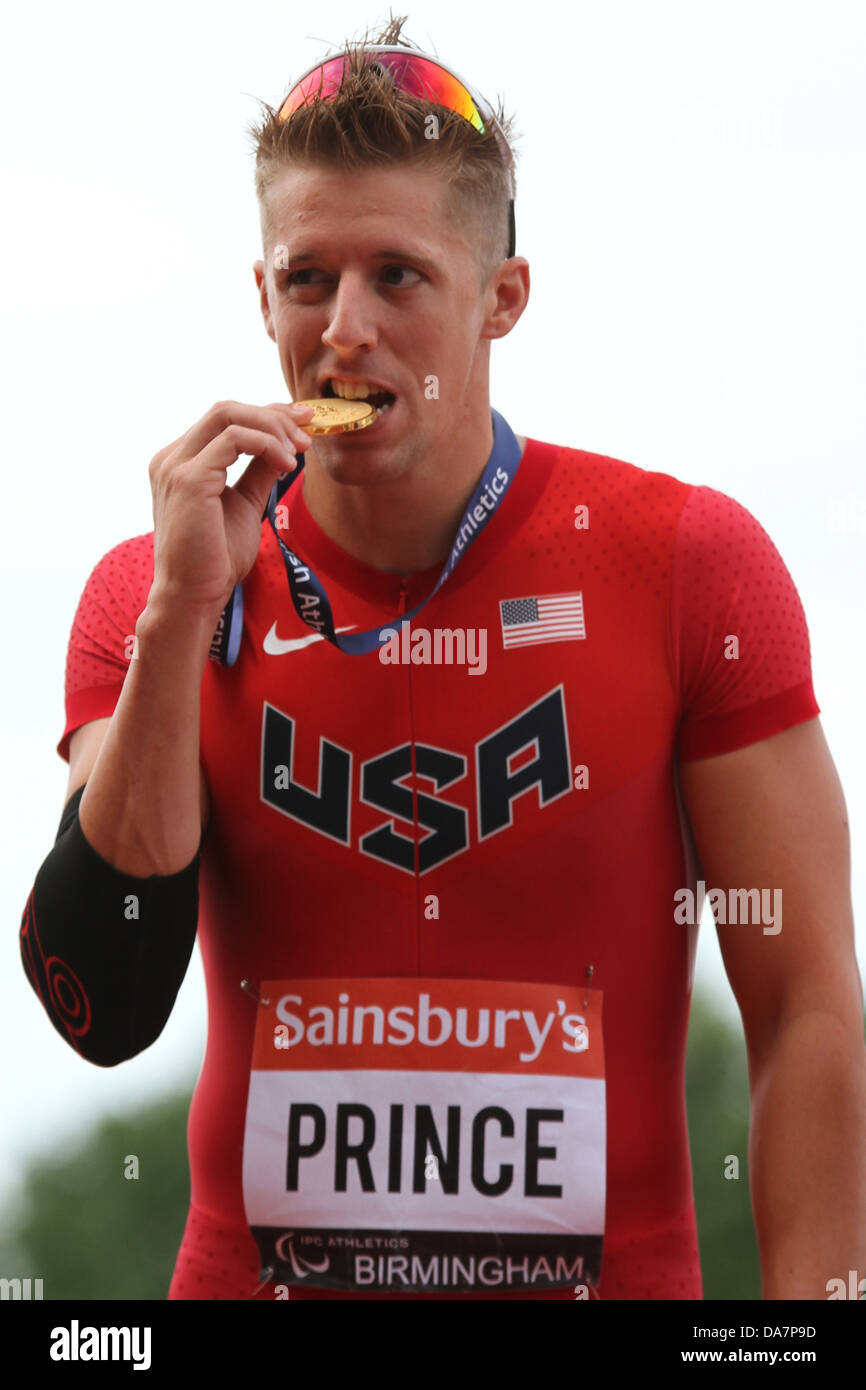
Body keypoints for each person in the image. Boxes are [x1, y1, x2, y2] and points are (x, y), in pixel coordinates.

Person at [20, 16, 865, 1302]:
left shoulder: (685, 563)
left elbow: (805, 1009)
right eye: (306, 279)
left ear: (500, 299)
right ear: (261, 296)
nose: (344, 329)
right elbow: (104, 999)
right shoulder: (157, 589)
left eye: (397, 277)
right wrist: (180, 617)